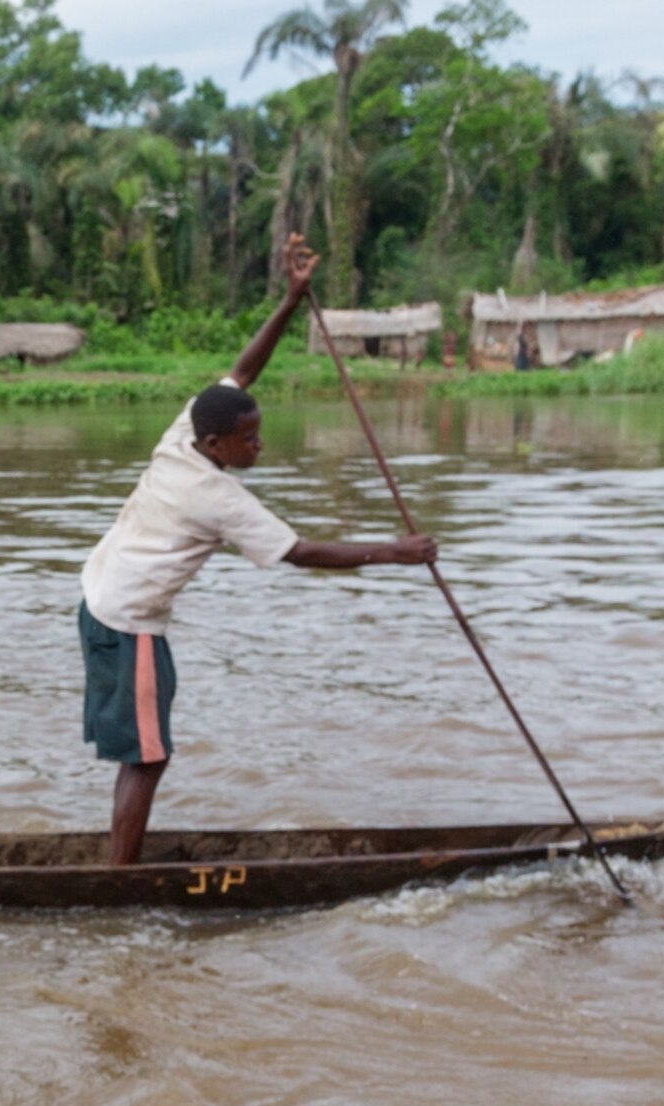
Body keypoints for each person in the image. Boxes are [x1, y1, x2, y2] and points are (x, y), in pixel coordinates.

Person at [75, 234, 441, 867]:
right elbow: (300, 553)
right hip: (126, 618)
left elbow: (243, 372)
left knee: (145, 749)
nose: (259, 448)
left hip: (103, 599)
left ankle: (118, 864)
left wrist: (293, 299)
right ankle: (117, 879)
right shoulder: (216, 497)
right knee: (148, 755)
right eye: (249, 440)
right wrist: (396, 552)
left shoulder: (185, 431)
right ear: (215, 445)